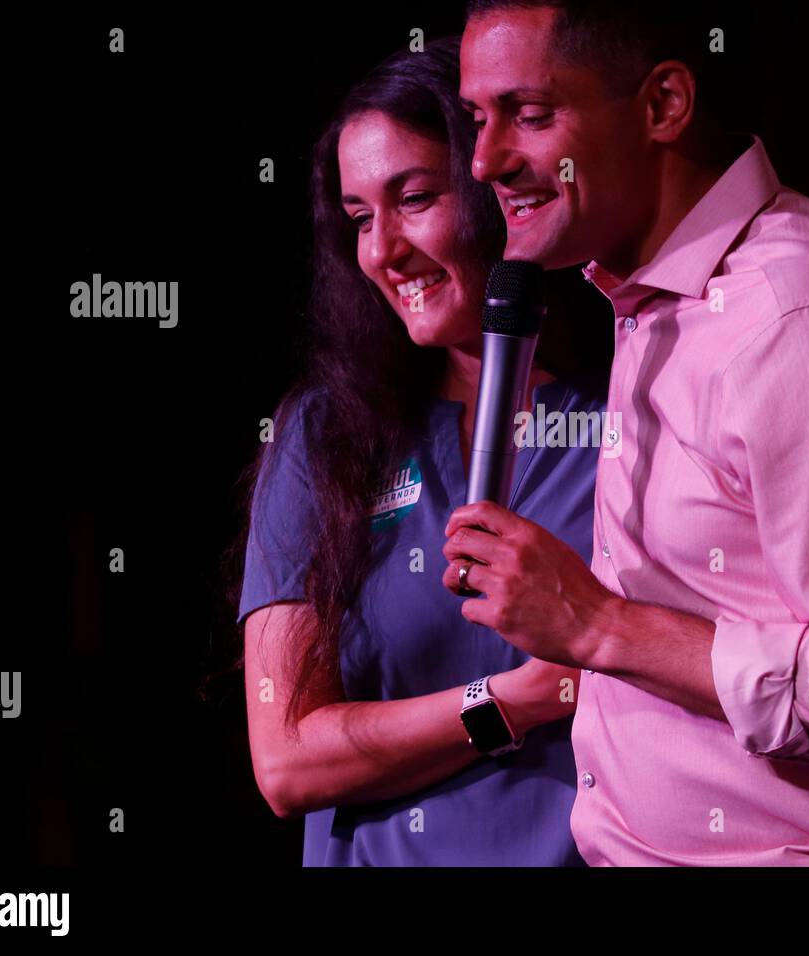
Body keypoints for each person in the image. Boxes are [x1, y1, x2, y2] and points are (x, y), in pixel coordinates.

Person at [443, 0, 809, 865]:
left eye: (530, 115)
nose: (485, 160)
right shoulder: (653, 299)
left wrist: (601, 626)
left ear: (662, 105)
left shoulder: (802, 318)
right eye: (476, 120)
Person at [231, 35, 611, 866]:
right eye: (361, 217)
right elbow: (287, 760)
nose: (380, 251)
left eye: (413, 199)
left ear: (495, 192)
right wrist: (516, 700)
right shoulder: (328, 434)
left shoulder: (630, 410)